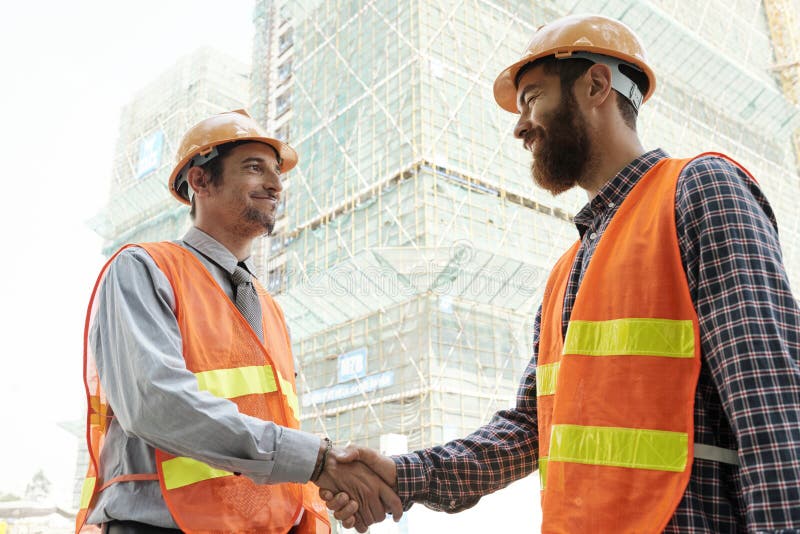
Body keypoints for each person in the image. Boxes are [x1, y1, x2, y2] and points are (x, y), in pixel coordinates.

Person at [322, 14, 800, 533]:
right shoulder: (566, 272)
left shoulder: (699, 190)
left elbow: (770, 404)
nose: (520, 124)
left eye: (532, 98)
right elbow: (529, 429)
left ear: (595, 85)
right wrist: (405, 474)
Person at [76, 110, 402, 534]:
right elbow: (155, 401)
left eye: (276, 173)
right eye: (254, 167)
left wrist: (321, 496)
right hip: (162, 527)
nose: (275, 184)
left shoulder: (268, 306)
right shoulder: (145, 268)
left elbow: (277, 422)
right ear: (200, 181)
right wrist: (318, 461)